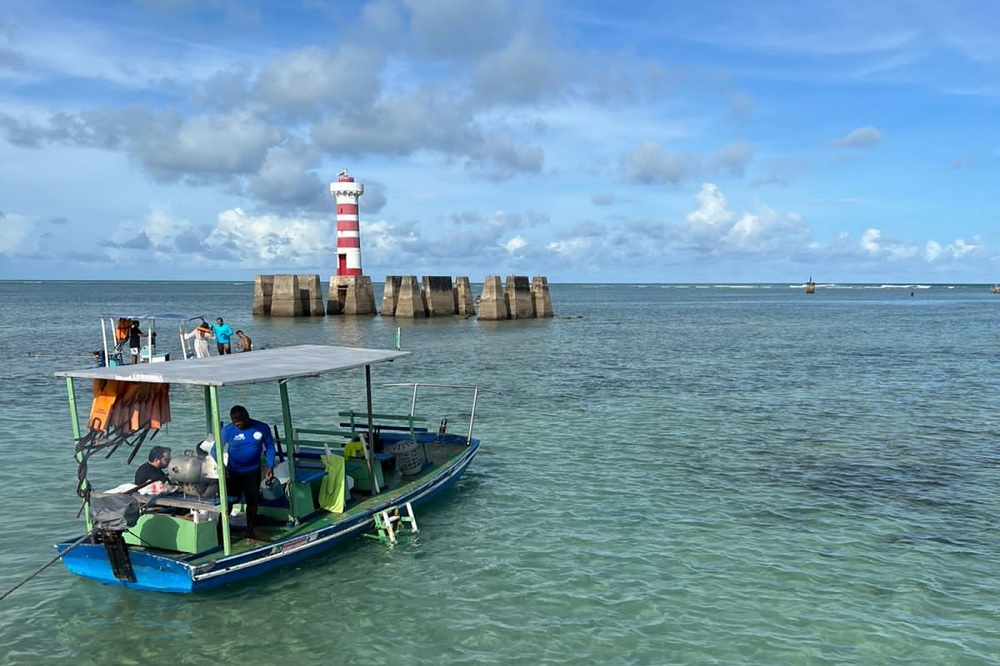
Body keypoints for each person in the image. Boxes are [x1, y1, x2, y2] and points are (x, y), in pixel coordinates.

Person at [220, 405, 275, 540]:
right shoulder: (227, 431)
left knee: (252, 501)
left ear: (247, 418)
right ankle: (220, 531)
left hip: (252, 471)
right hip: (233, 472)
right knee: (229, 502)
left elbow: (270, 447)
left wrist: (270, 465)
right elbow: (215, 450)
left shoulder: (261, 427)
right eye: (234, 422)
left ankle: (250, 530)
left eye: (240, 422)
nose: (237, 425)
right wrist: (222, 466)